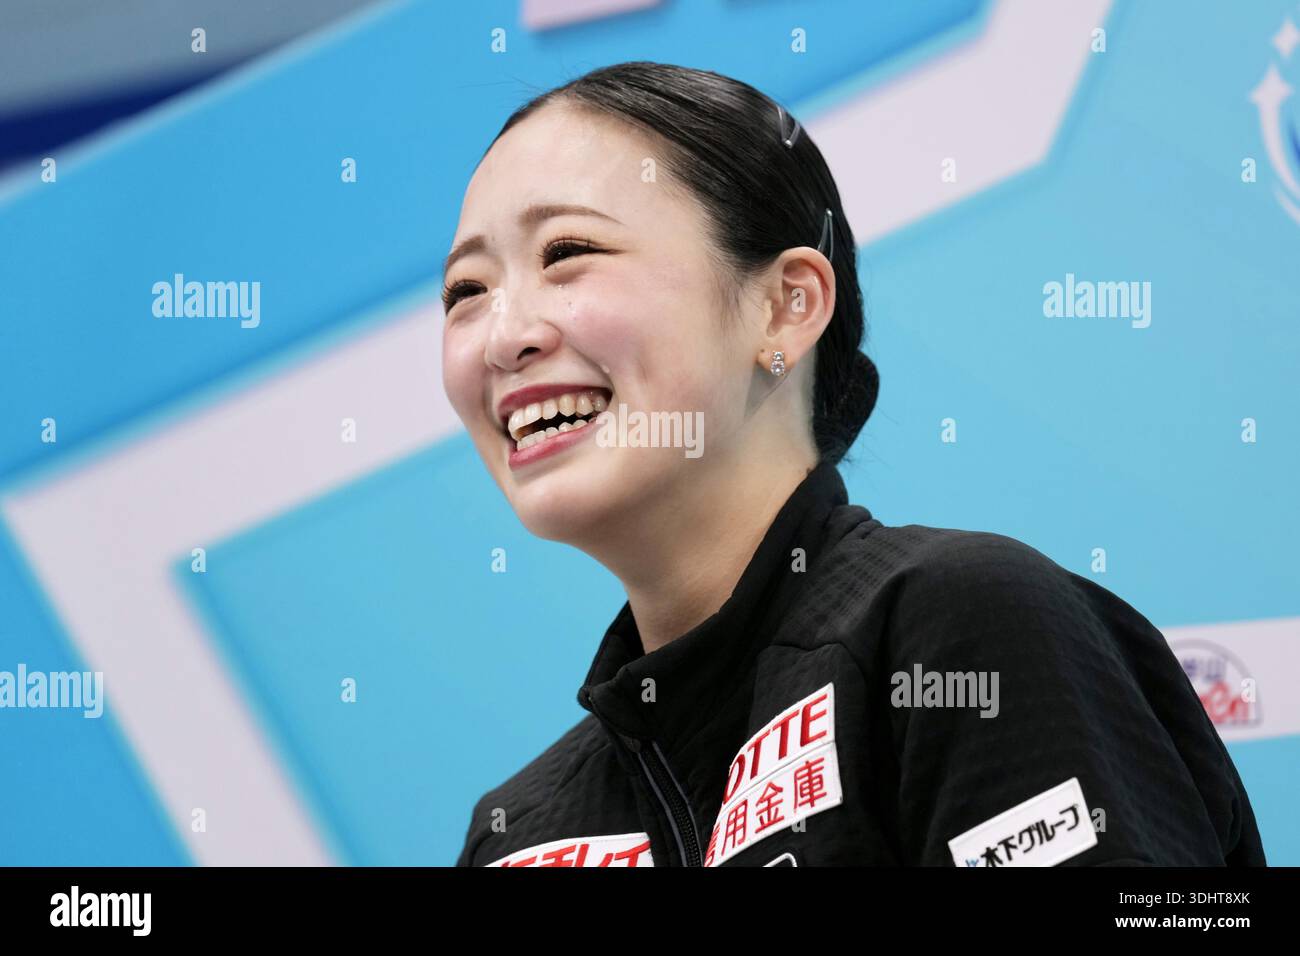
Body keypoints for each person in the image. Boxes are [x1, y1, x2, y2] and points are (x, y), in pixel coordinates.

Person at [440, 61, 1266, 867]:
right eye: (465, 292)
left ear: (784, 305)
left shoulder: (954, 628)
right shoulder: (518, 834)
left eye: (567, 250)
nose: (504, 334)